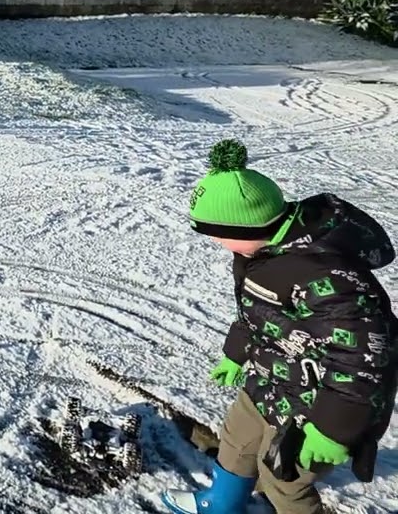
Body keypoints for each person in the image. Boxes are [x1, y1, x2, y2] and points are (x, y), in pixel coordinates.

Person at [162, 139, 397, 514]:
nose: (217, 243)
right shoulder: (261, 253)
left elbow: (366, 357)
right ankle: (221, 503)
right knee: (237, 439)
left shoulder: (328, 275)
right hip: (272, 378)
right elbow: (257, 313)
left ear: (246, 225)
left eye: (218, 233)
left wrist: (335, 428)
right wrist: (236, 353)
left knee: (283, 478)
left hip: (320, 402)